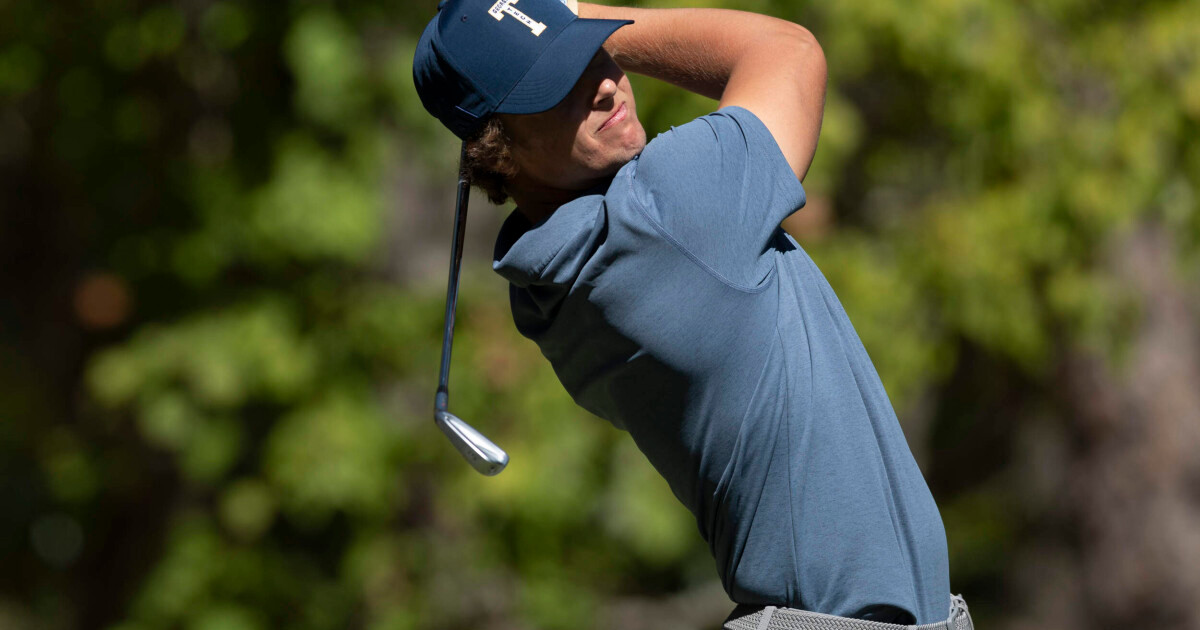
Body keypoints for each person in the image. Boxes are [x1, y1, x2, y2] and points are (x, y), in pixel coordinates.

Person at [413, 1, 972, 628]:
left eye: (593, 52)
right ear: (498, 150)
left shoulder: (544, 289)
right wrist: (582, 13)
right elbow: (788, 50)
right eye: (556, 85)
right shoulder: (668, 215)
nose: (602, 83)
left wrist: (551, 28)